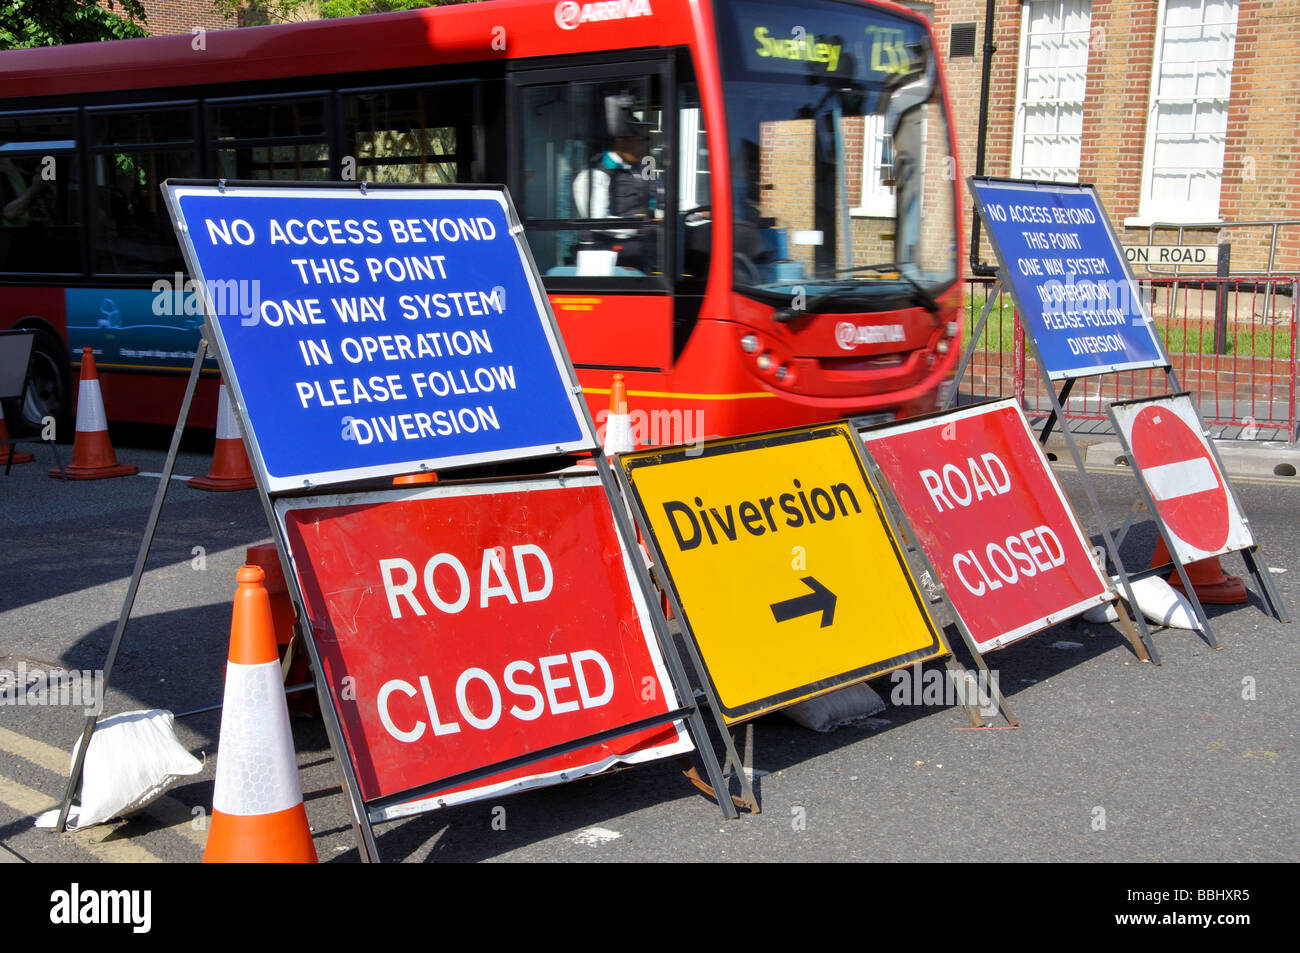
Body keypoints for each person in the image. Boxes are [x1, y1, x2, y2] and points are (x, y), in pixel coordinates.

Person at [573, 93, 657, 272]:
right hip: (608, 261)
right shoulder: (595, 173)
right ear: (621, 141)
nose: (645, 147)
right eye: (641, 141)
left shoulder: (642, 167)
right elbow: (598, 220)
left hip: (640, 254)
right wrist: (639, 228)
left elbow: (658, 198)